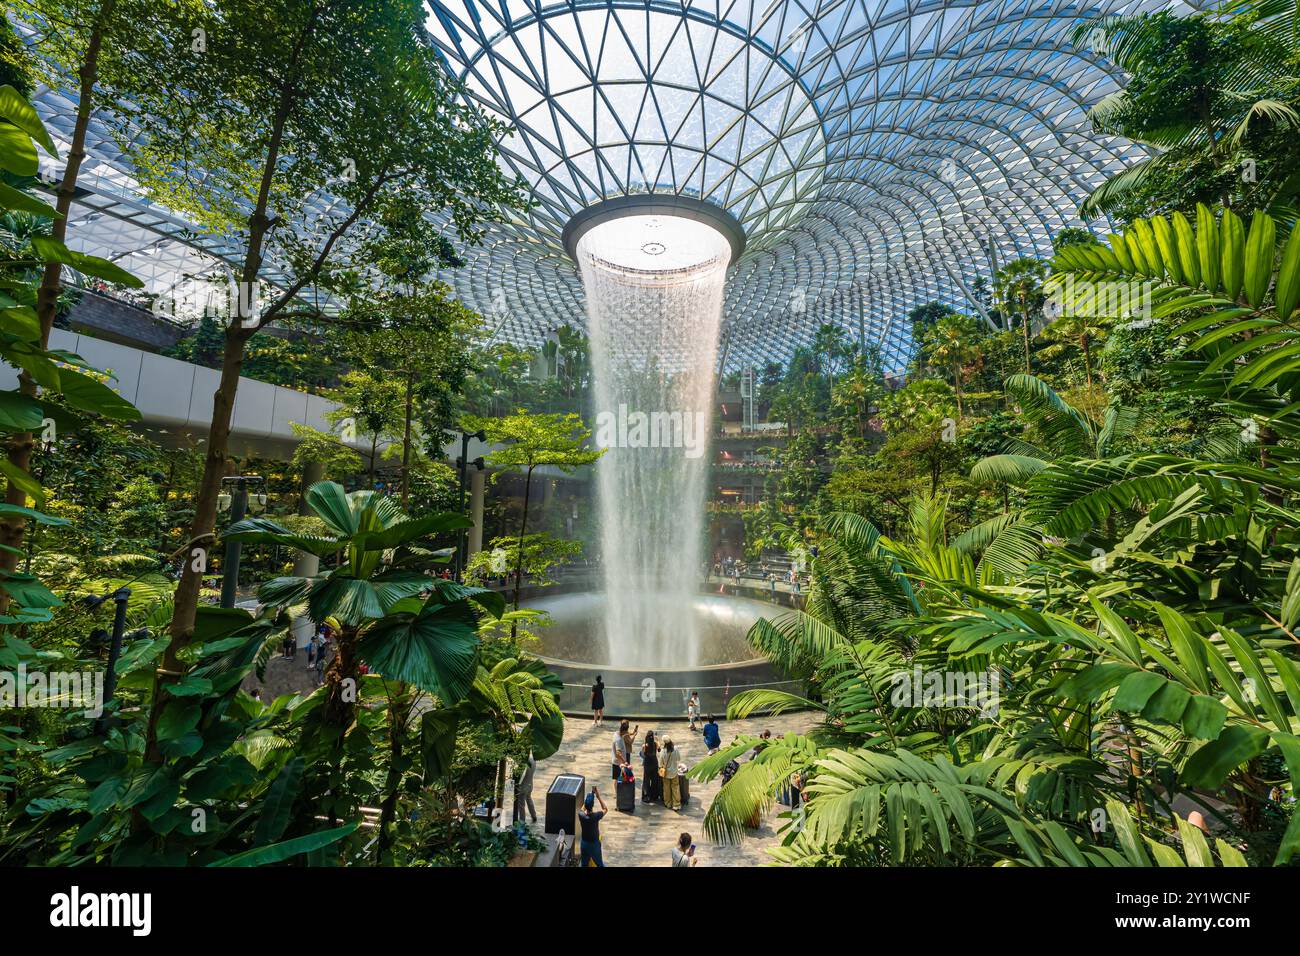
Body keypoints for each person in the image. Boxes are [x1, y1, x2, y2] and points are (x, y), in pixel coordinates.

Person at [578, 789, 607, 867]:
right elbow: (605, 809)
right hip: (594, 844)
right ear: (593, 805)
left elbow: (582, 808)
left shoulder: (581, 815)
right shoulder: (596, 816)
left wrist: (588, 798)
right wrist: (598, 796)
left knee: (584, 864)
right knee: (599, 864)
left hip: (584, 843)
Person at [514, 750, 537, 824]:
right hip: (530, 784)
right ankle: (534, 815)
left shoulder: (524, 762)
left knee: (521, 804)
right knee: (529, 799)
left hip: (523, 786)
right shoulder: (533, 759)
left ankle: (522, 821)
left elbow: (520, 776)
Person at [662, 738, 683, 810]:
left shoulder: (663, 751)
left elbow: (661, 763)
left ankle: (668, 803)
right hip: (674, 772)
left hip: (666, 773)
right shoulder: (676, 749)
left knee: (666, 788)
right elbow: (679, 758)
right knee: (675, 787)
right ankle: (676, 804)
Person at [641, 731, 661, 803]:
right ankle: (654, 795)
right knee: (654, 780)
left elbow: (642, 755)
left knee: (646, 780)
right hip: (654, 763)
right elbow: (659, 749)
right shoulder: (655, 744)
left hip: (647, 764)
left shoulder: (644, 746)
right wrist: (657, 740)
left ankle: (646, 796)